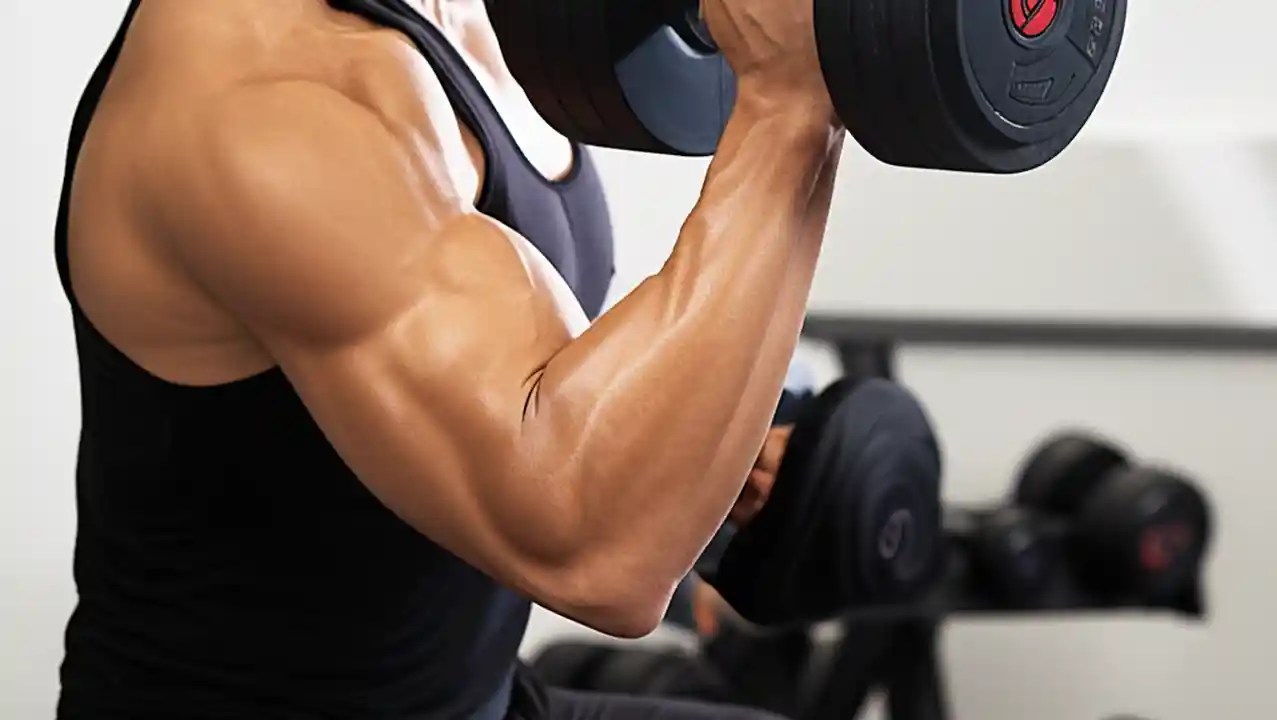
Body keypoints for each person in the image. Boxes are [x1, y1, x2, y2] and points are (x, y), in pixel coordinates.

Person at [54, 0, 843, 717]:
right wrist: (786, 108)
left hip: (475, 699)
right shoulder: (265, 100)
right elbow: (601, 555)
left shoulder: (458, 16)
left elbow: (512, 367)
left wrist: (698, 452)